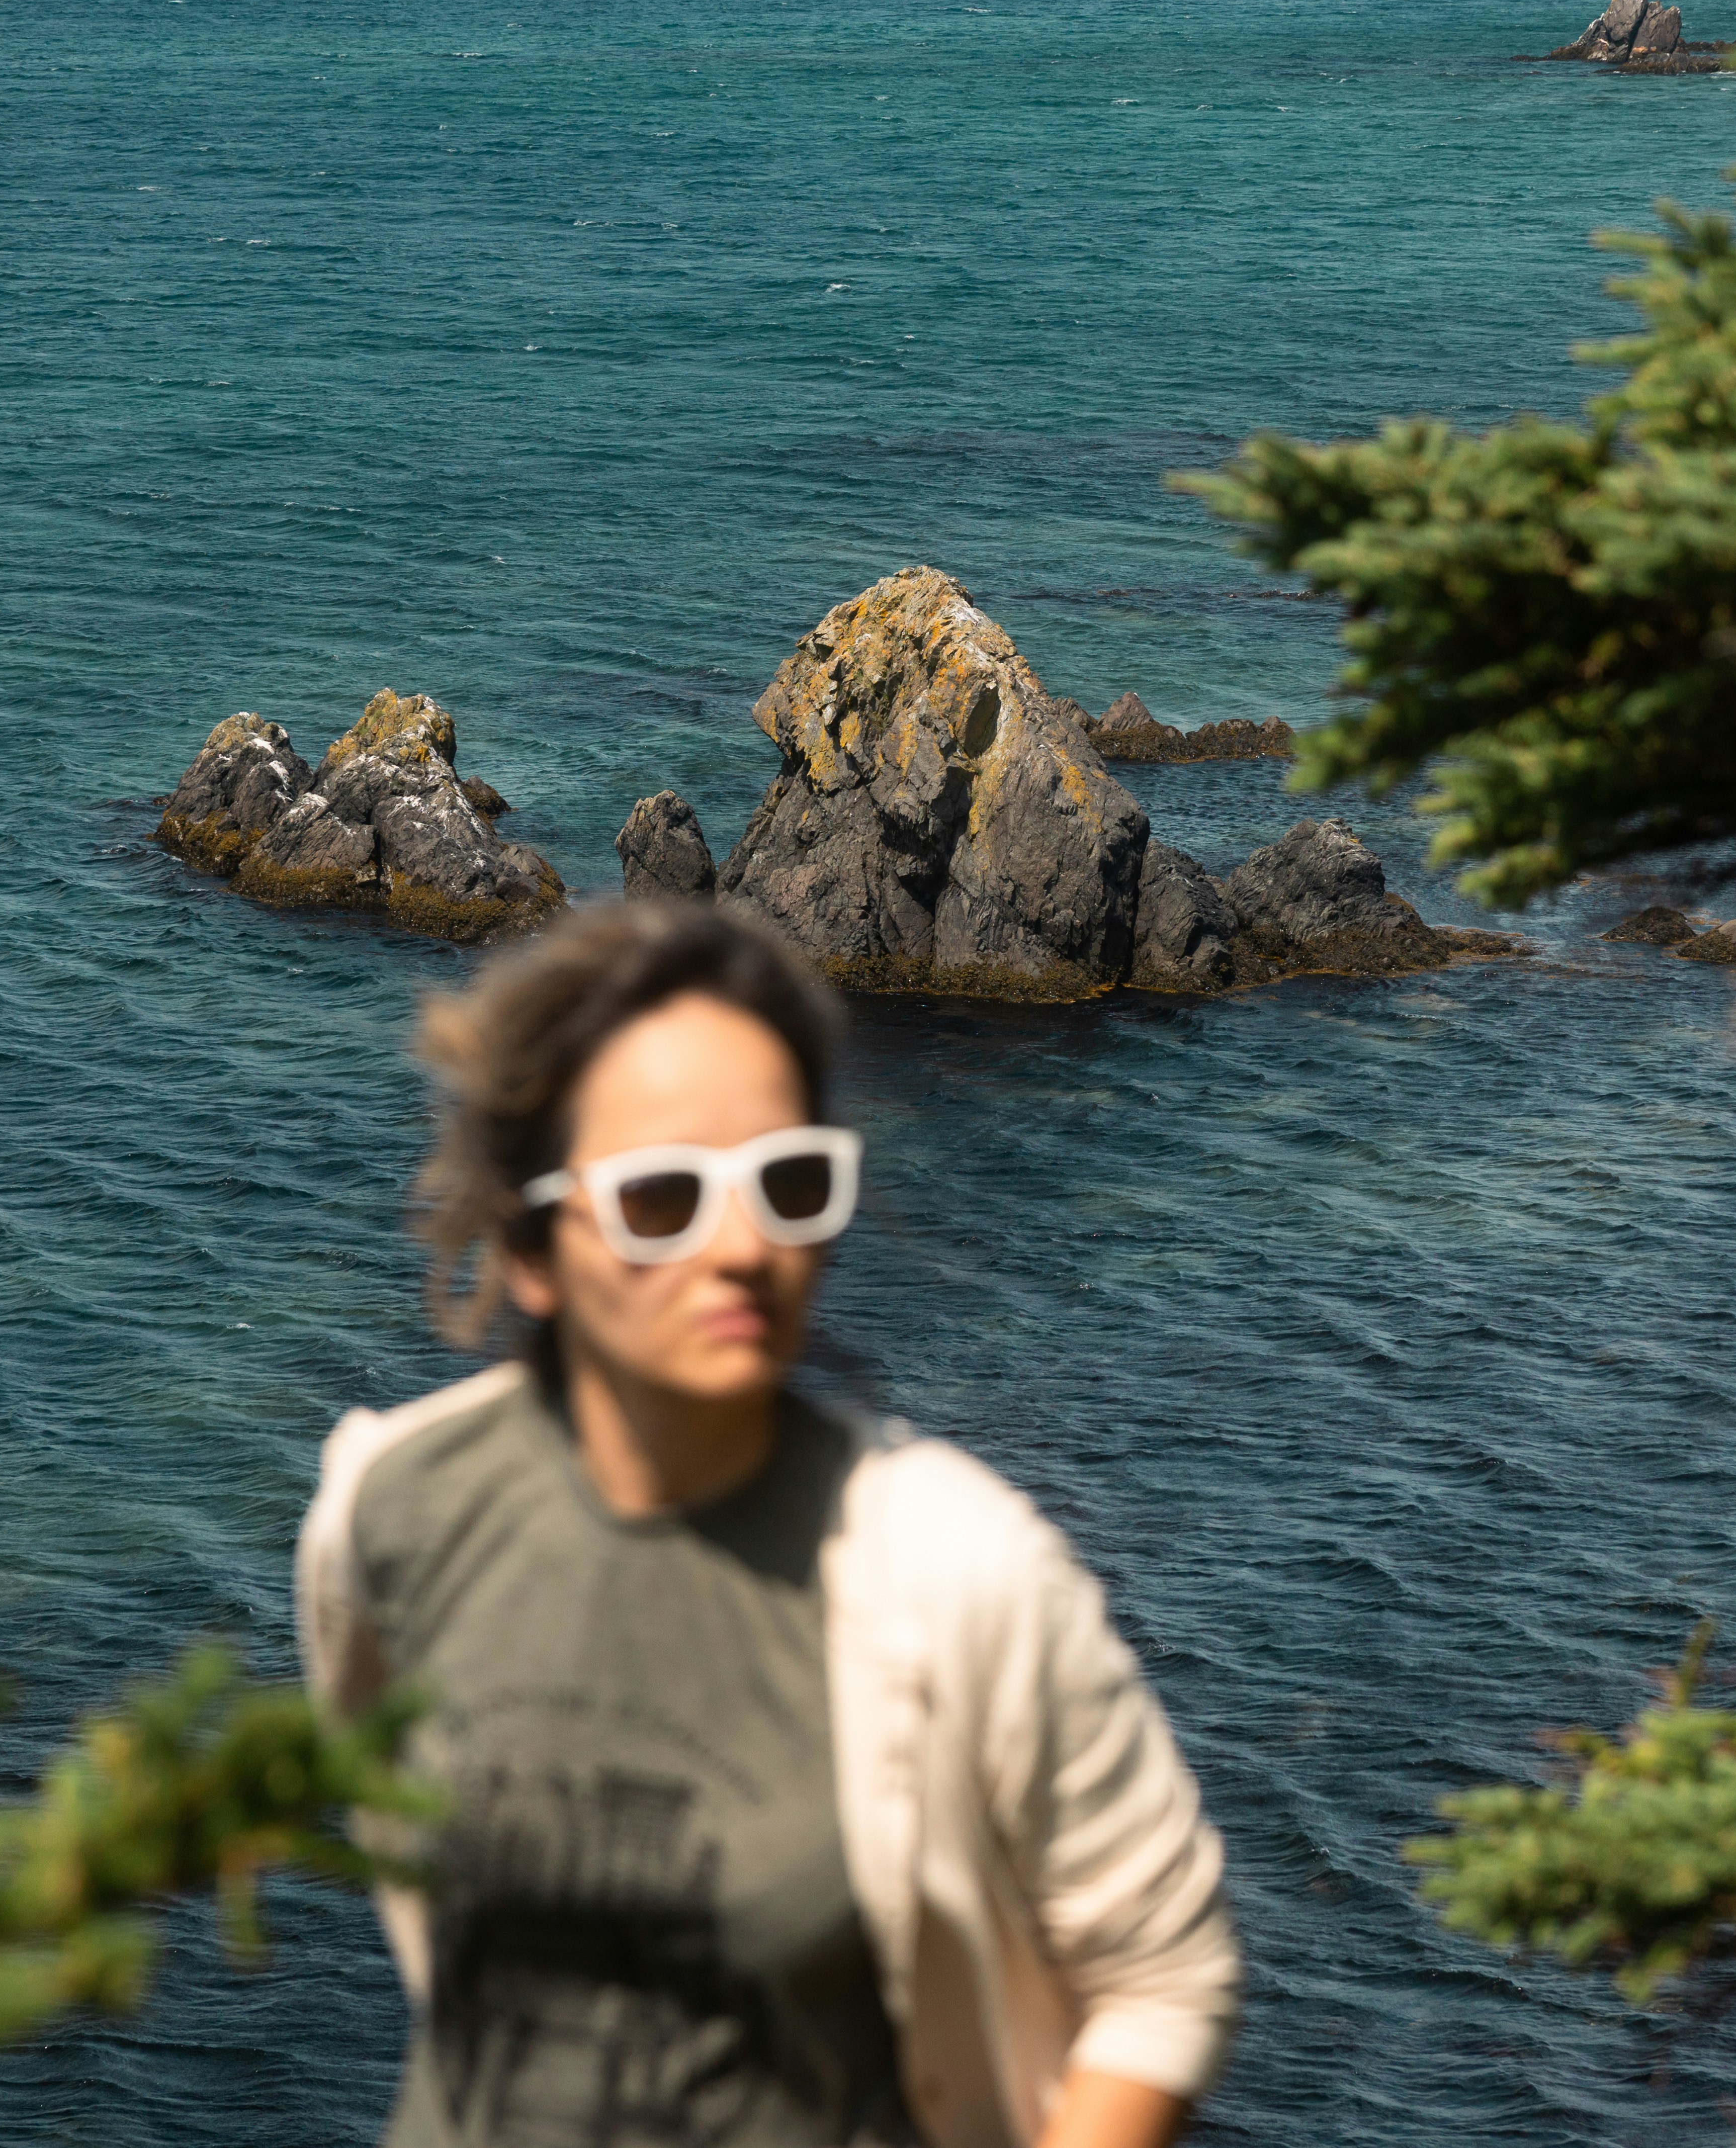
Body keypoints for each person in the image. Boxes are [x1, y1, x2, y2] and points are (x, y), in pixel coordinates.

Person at [297, 898, 1240, 2148]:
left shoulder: (960, 1573)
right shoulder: (388, 1508)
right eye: (661, 1199)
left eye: (790, 1184)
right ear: (530, 1244)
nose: (742, 1247)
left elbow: (1162, 1977)